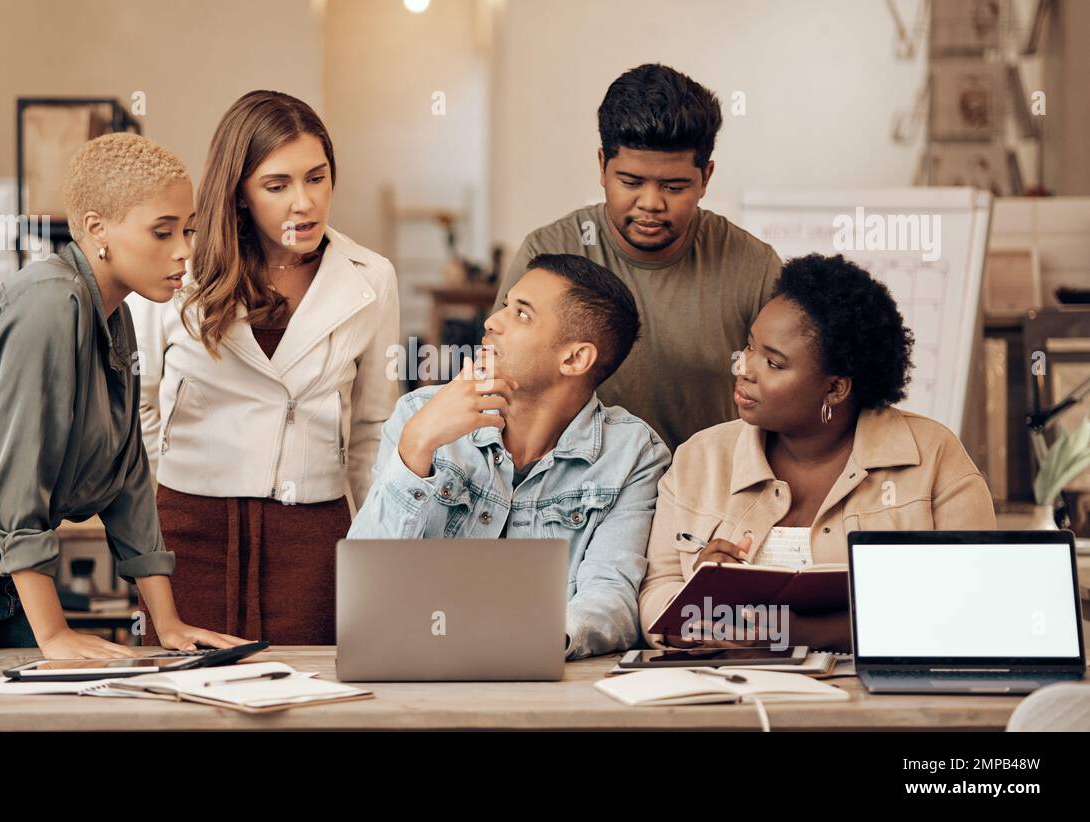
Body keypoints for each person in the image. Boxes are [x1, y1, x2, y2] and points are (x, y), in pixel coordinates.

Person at [0, 133, 244, 732]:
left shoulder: (117, 315)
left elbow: (129, 476)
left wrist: (167, 622)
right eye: (163, 232)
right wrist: (54, 632)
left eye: (188, 230)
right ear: (97, 229)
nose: (184, 251)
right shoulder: (49, 303)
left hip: (4, 568)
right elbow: (15, 481)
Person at [129, 91, 400, 647]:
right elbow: (140, 403)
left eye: (317, 178)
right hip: (188, 531)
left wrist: (375, 548)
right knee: (187, 705)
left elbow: (375, 426)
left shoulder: (371, 276)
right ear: (240, 193)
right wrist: (173, 492)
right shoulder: (179, 269)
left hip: (313, 533)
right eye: (277, 186)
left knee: (311, 702)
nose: (303, 202)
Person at [638, 254, 996, 651]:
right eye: (749, 347)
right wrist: (700, 599)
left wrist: (802, 634)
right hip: (732, 696)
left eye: (773, 363)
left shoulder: (932, 457)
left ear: (835, 389)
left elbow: (973, 603)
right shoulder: (699, 459)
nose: (744, 368)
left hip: (882, 700)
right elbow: (657, 595)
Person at [348, 253, 670, 659]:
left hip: (545, 684)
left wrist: (518, 639)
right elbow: (363, 590)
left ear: (574, 358)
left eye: (521, 314)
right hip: (410, 668)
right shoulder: (419, 415)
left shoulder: (633, 455)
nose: (491, 321)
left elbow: (612, 598)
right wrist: (416, 446)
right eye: (506, 305)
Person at [494, 63, 781, 451]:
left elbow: (785, 402)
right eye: (630, 182)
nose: (650, 203)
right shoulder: (546, 256)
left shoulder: (753, 267)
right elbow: (496, 382)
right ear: (601, 167)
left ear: (706, 177)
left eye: (674, 186)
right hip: (572, 499)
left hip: (707, 495)